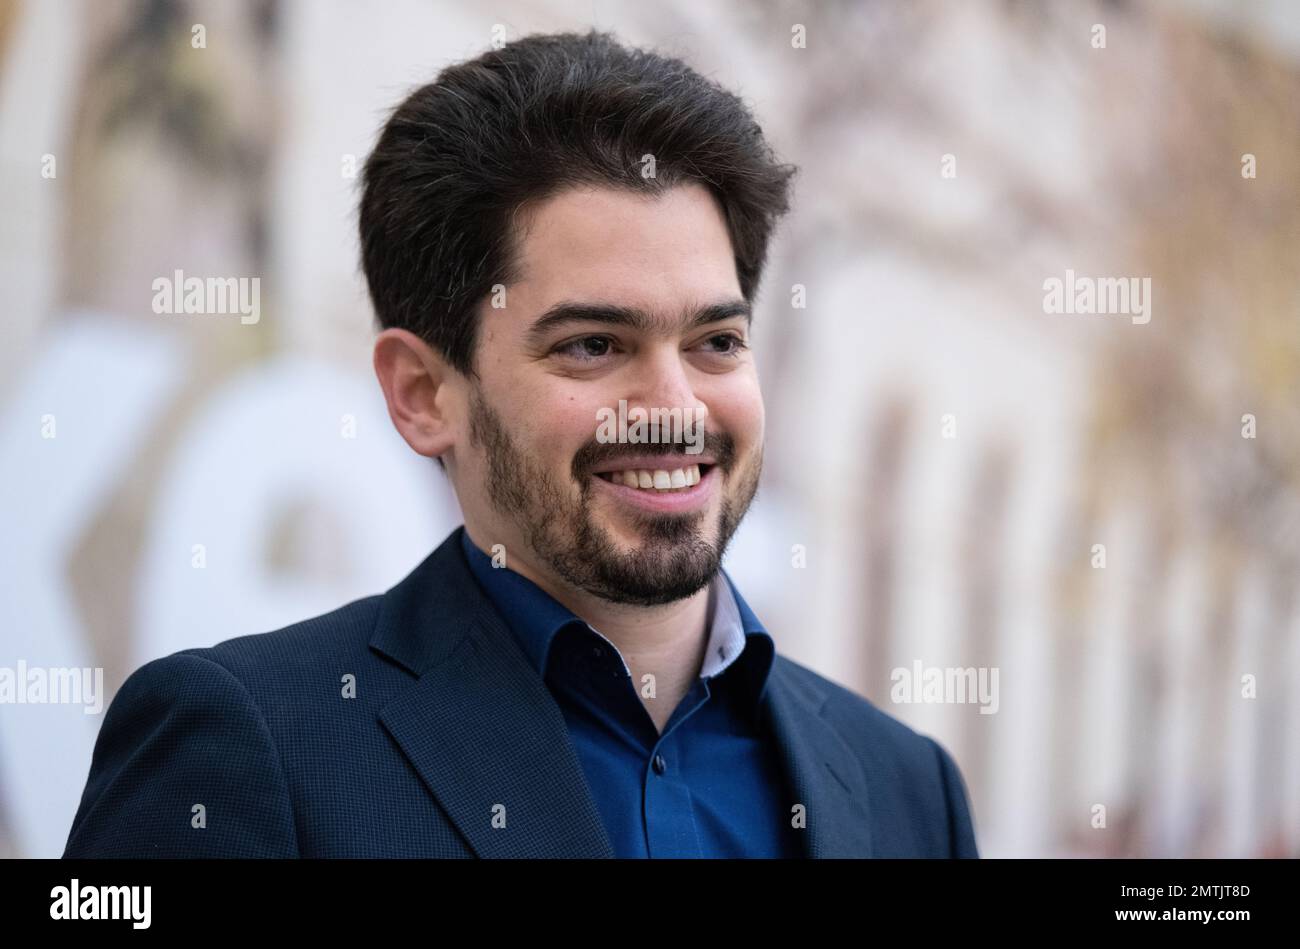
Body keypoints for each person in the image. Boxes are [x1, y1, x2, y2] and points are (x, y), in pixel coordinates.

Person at [64, 29, 978, 858]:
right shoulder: (246, 747)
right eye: (593, 345)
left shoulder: (907, 790)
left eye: (716, 343)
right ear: (424, 394)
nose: (673, 406)